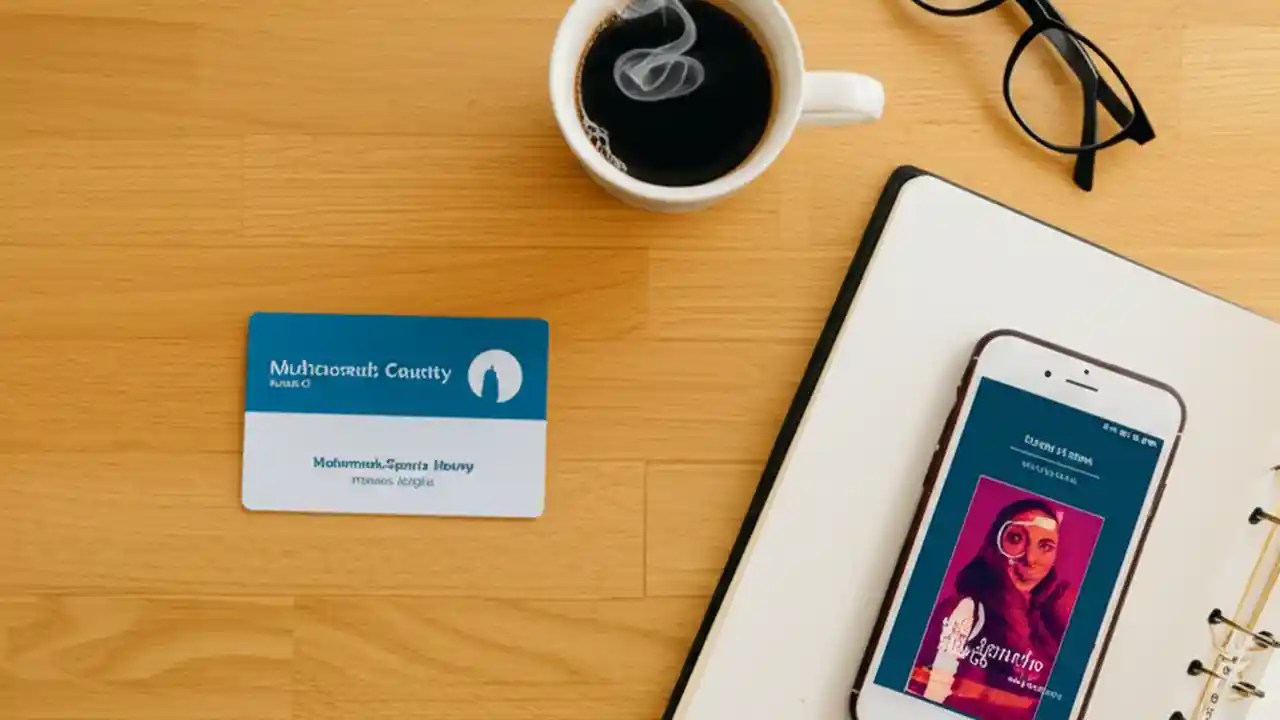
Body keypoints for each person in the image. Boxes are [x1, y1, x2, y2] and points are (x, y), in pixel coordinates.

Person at [908, 498, 1078, 720]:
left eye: (1045, 546)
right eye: (1016, 538)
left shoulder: (1054, 617)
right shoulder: (964, 611)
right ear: (994, 542)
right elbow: (922, 688)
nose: (1030, 558)